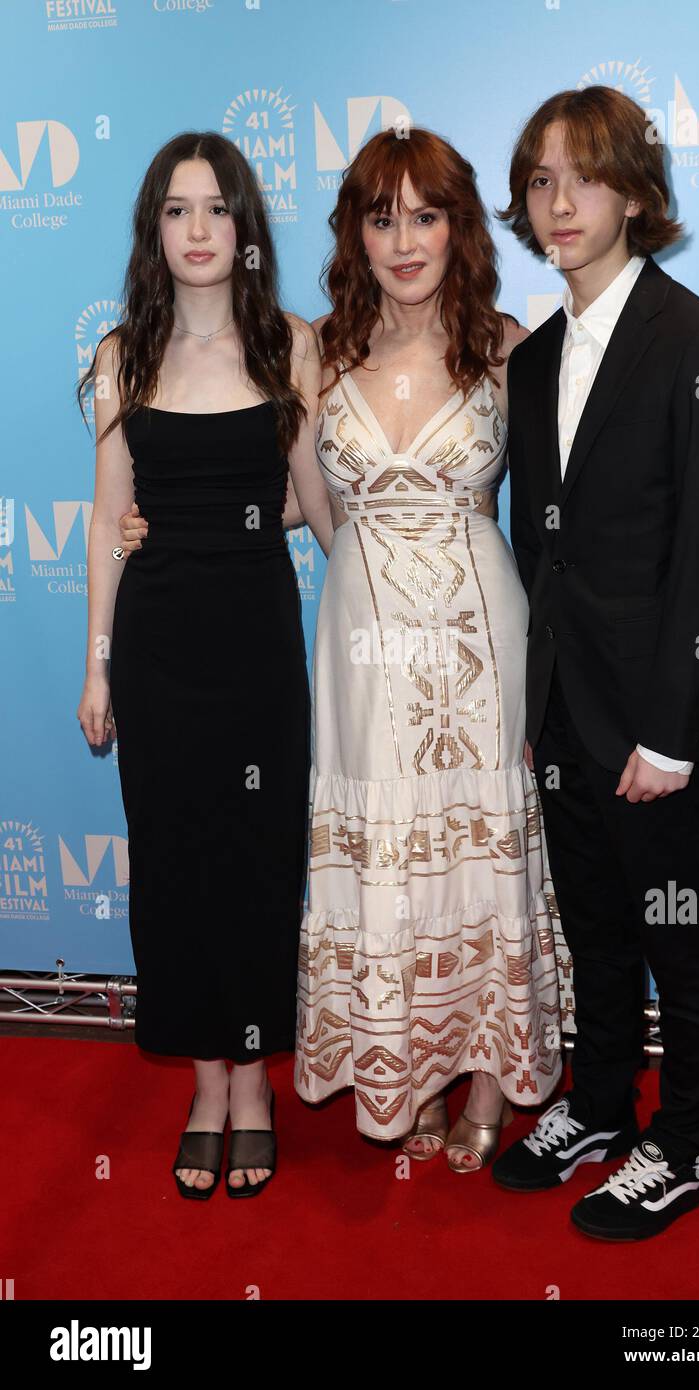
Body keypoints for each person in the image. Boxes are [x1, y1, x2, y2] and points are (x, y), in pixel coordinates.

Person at [492, 86, 699, 1237]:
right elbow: (536, 551)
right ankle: (601, 1104)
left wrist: (667, 731)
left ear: (634, 193)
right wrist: (532, 703)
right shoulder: (533, 356)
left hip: (659, 719)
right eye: (540, 182)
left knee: (676, 934)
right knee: (594, 932)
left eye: (582, 178)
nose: (559, 204)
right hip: (561, 712)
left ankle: (687, 1144)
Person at [294, 127, 563, 1171]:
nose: (403, 239)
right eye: (379, 216)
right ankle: (396, 1068)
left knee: (476, 853)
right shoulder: (318, 352)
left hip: (477, 637)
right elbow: (311, 507)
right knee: (386, 851)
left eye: (425, 214)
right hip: (361, 643)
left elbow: (554, 503)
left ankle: (488, 1085)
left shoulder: (504, 344)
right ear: (353, 235)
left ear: (458, 226)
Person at [77, 131, 332, 1200]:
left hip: (257, 643)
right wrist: (98, 665)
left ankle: (257, 1083)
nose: (196, 230)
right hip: (158, 647)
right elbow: (103, 519)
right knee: (176, 864)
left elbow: (316, 505)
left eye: (215, 209)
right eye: (177, 210)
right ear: (155, 229)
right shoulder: (118, 358)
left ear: (245, 229)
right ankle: (205, 1084)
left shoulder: (293, 347)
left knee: (258, 859)